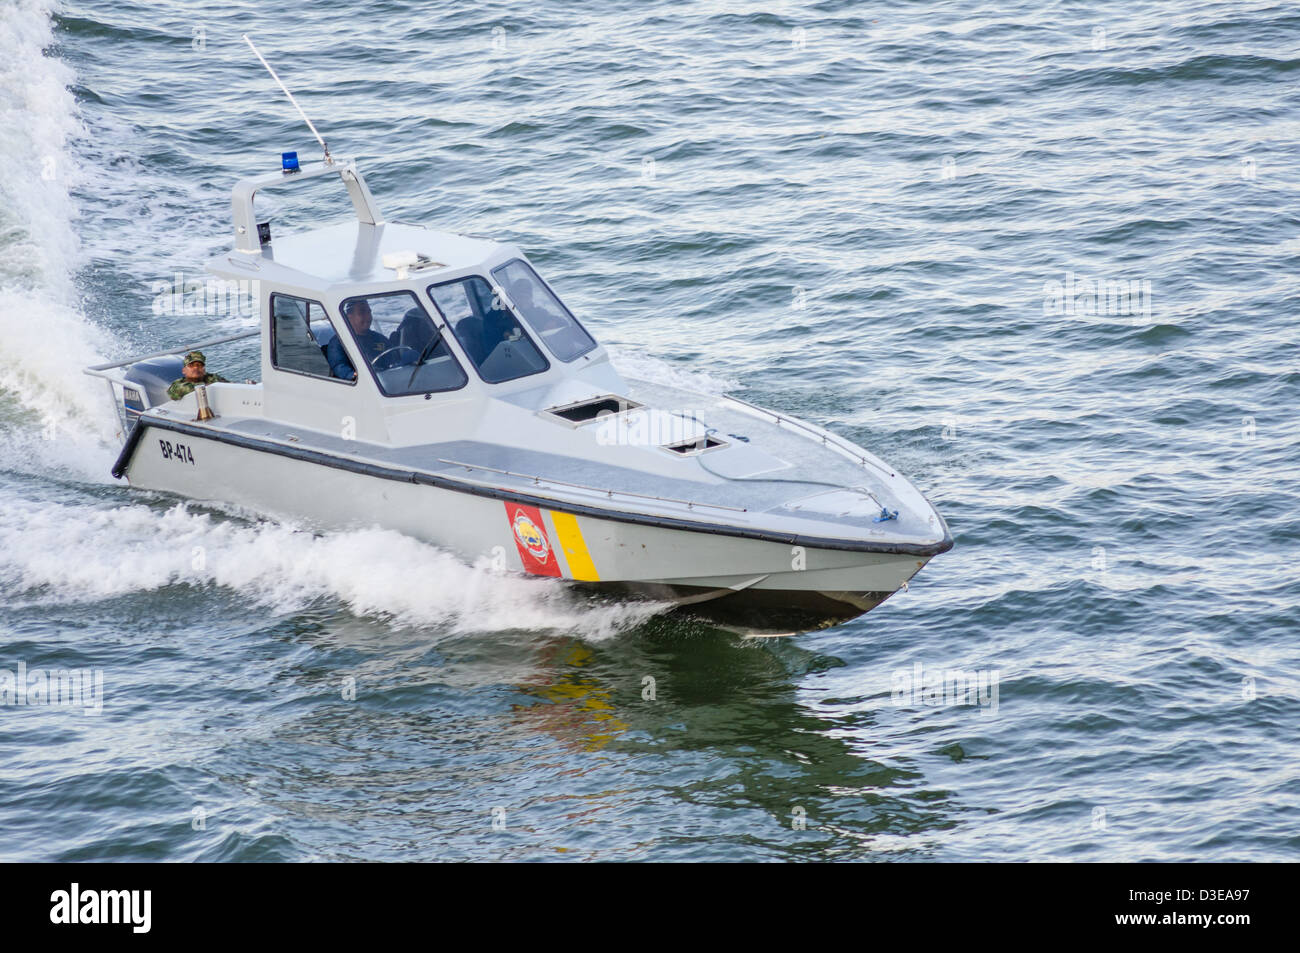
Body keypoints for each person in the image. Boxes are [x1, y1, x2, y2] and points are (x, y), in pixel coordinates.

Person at [327, 299, 389, 380]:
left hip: (386, 381)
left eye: (369, 312)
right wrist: (354, 376)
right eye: (362, 313)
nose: (368, 317)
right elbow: (339, 366)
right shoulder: (338, 343)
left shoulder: (379, 338)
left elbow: (395, 358)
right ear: (349, 317)